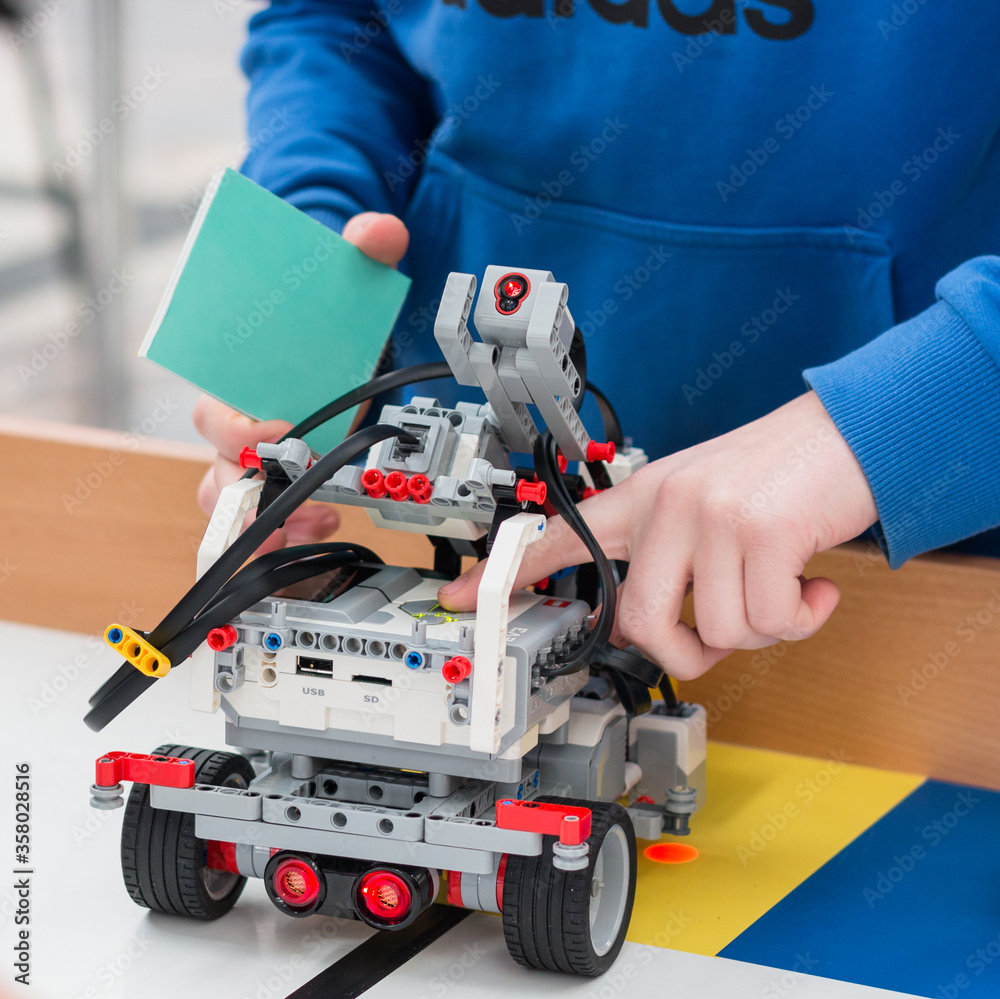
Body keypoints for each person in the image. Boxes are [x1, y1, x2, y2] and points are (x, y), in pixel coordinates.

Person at [194, 0, 1000, 681]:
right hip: (435, 530)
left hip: (913, 579)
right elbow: (336, 21)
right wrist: (313, 258)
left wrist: (902, 417)